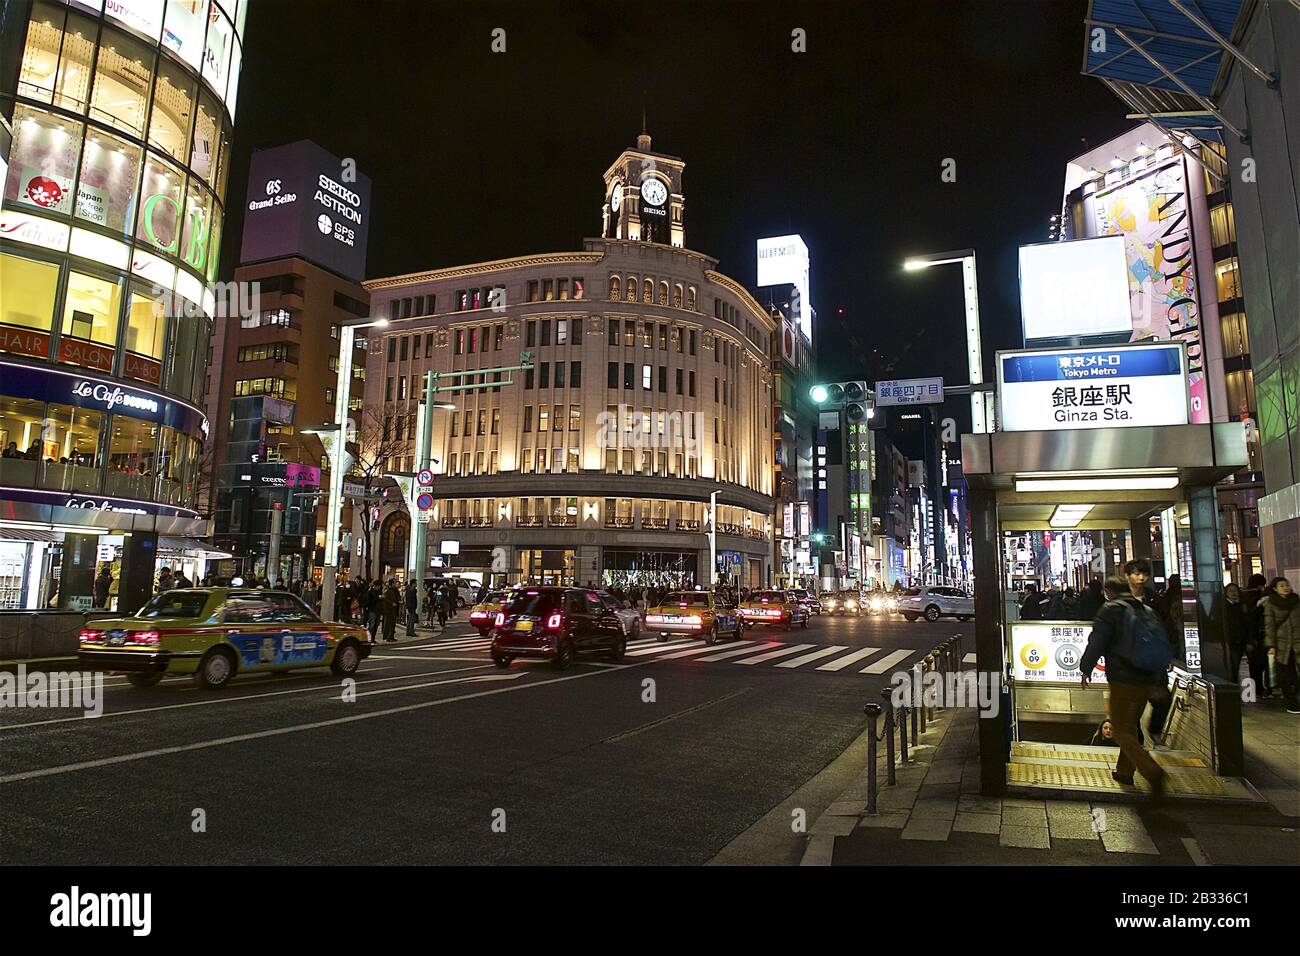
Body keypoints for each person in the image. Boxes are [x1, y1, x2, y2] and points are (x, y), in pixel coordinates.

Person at [1079, 567, 1170, 800]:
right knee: (1130, 727)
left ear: (1108, 592)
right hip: (1147, 677)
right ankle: (1124, 772)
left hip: (1123, 678)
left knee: (1120, 730)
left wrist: (1085, 669)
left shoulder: (1110, 609)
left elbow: (1096, 642)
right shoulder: (1146, 609)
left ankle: (1153, 772)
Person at [1262, 576, 1300, 714]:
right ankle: (1291, 702)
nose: (1285, 588)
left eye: (1287, 585)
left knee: (1296, 675)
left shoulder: (1296, 601)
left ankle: (1295, 697)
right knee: (1286, 675)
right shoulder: (1271, 604)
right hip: (1281, 645)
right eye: (1282, 585)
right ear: (1275, 589)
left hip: (1297, 643)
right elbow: (1269, 626)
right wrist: (1271, 646)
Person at [1240, 573, 1271, 697]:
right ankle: (1260, 688)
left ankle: (1255, 689)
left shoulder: (1244, 597)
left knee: (1254, 664)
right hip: (1257, 635)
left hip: (1251, 636)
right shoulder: (1258, 598)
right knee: (1260, 663)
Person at [1220, 583, 1250, 683]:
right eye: (1230, 591)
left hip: (1240, 640)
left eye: (1235, 590)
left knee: (1236, 664)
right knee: (1233, 663)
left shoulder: (1242, 605)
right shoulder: (1223, 606)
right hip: (1229, 640)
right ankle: (1232, 683)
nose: (1234, 593)